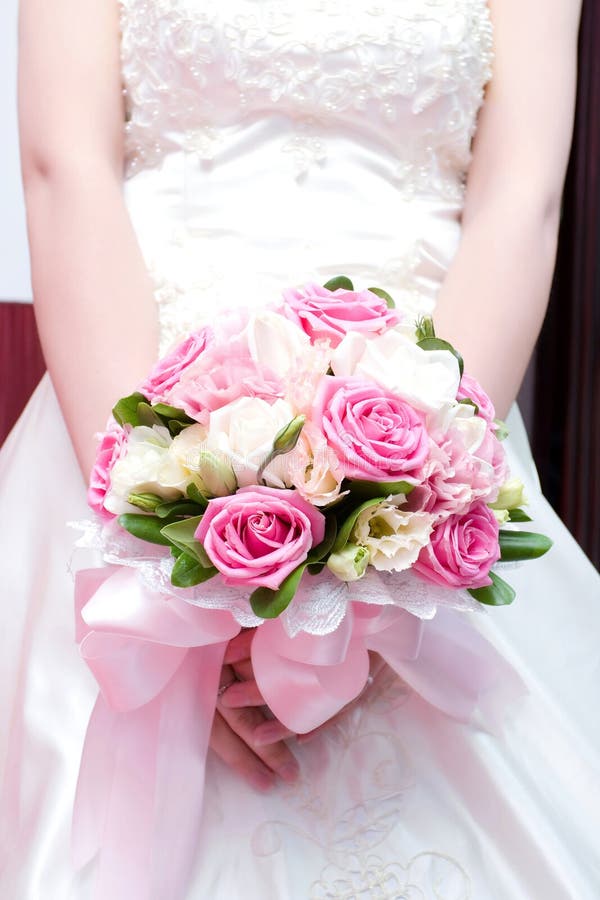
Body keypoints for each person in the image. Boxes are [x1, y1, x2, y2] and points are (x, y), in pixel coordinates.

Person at [2, 0, 600, 897]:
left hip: (431, 407)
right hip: (132, 401)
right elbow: (65, 173)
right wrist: (160, 560)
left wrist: (412, 511)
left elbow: (522, 201)